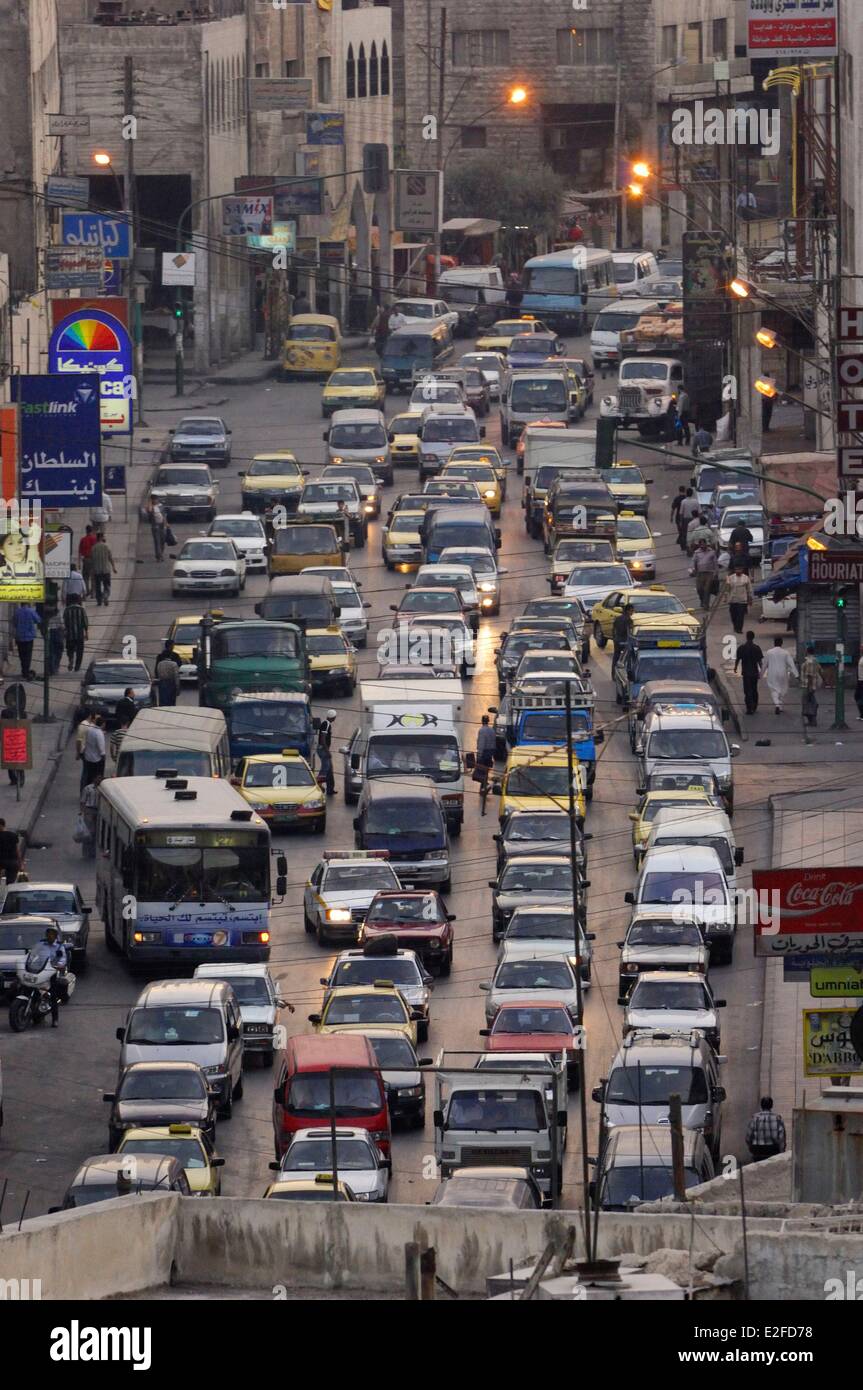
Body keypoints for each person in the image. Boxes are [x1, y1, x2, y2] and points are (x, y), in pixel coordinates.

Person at [38, 923, 68, 1027]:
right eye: (48, 934)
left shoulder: (59, 946)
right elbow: (34, 954)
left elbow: (62, 960)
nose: (50, 936)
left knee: (53, 995)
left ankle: (55, 1019)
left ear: (55, 935)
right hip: (39, 972)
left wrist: (58, 966)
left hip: (51, 973)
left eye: (52, 934)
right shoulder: (41, 944)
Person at [762, 636, 798, 714]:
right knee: (782, 689)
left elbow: (764, 664)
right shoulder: (785, 652)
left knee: (774, 690)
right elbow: (791, 664)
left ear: (774, 643)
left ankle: (777, 705)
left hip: (772, 673)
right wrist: (796, 675)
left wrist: (761, 674)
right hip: (783, 673)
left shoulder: (769, 652)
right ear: (781, 643)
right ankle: (780, 706)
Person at [745, 1096, 786, 1162]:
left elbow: (748, 1137)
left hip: (757, 1150)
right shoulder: (777, 1118)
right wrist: (782, 1152)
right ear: (771, 1105)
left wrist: (751, 1147)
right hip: (772, 1150)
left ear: (761, 1106)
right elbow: (781, 1138)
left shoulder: (755, 1118)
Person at [735, 631, 765, 715]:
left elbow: (738, 659)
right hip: (754, 673)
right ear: (753, 637)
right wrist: (761, 671)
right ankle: (754, 706)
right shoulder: (756, 648)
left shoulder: (742, 648)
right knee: (754, 689)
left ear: (746, 637)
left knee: (747, 690)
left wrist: (735, 668)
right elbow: (760, 661)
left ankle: (749, 707)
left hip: (746, 673)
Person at [690, 539, 719, 610]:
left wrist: (716, 573)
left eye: (704, 544)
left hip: (709, 573)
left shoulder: (712, 552)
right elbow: (693, 562)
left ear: (706, 544)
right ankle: (702, 600)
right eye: (701, 544)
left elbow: (715, 563)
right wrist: (693, 570)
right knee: (699, 589)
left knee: (707, 589)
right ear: (699, 545)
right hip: (699, 573)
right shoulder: (696, 553)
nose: (703, 546)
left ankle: (706, 604)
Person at [89, 533, 117, 607]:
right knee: (106, 585)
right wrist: (114, 567)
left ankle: (99, 601)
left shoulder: (93, 548)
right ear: (101, 537)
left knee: (98, 586)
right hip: (106, 570)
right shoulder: (107, 546)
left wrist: (92, 571)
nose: (104, 538)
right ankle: (105, 596)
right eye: (103, 537)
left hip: (97, 570)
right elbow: (110, 558)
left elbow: (92, 560)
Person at [800, 643, 824, 727]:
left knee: (807, 704)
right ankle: (812, 721)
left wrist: (809, 687)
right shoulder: (815, 660)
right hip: (812, 686)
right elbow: (821, 671)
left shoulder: (809, 661)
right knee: (811, 703)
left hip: (808, 686)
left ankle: (812, 721)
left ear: (807, 652)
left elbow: (809, 675)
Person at [724, 566, 754, 634]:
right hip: (733, 599)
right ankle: (735, 626)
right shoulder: (731, 578)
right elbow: (727, 589)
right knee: (733, 615)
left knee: (740, 615)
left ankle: (739, 629)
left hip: (742, 600)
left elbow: (749, 589)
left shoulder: (746, 578)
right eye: (737, 569)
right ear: (735, 570)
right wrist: (725, 598)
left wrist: (750, 598)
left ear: (742, 570)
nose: (738, 571)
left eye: (740, 569)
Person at [13, 603, 40, 679]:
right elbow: (38, 620)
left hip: (19, 636)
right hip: (29, 637)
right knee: (28, 655)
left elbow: (14, 623)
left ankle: (24, 670)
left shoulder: (17, 612)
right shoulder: (31, 611)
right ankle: (26, 671)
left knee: (21, 655)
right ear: (28, 604)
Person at [63, 595, 89, 672]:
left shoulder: (67, 610)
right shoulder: (81, 609)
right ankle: (77, 667)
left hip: (69, 635)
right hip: (79, 635)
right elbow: (85, 621)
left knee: (70, 649)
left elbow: (64, 622)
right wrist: (86, 633)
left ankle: (71, 659)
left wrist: (64, 632)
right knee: (79, 652)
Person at [79, 773, 101, 859]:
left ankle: (93, 852)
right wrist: (82, 812)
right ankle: (86, 852)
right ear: (94, 779)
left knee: (96, 832)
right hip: (89, 810)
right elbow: (83, 801)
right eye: (98, 778)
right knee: (88, 832)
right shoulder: (88, 788)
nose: (99, 780)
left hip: (98, 811)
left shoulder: (102, 789)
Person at [81, 713, 107, 785]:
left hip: (88, 756)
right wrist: (104, 757)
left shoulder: (90, 729)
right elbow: (101, 749)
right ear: (102, 724)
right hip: (96, 760)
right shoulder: (99, 733)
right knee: (96, 777)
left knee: (88, 776)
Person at [611, 603, 635, 674]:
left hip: (617, 641)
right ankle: (626, 674)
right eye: (632, 611)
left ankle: (614, 674)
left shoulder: (618, 618)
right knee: (628, 658)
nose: (632, 612)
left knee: (616, 657)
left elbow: (613, 630)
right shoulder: (629, 620)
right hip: (625, 641)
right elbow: (629, 632)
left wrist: (614, 638)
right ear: (628, 611)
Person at [78, 524, 98, 598]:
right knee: (93, 577)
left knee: (85, 577)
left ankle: (87, 591)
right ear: (91, 531)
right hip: (93, 560)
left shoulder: (83, 539)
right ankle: (93, 593)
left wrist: (79, 563)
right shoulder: (94, 539)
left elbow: (80, 552)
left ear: (86, 531)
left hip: (85, 560)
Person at [0, 819, 21, 884]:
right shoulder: (13, 835)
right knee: (10, 882)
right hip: (12, 862)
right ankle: (8, 891)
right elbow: (17, 850)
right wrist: (21, 863)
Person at [47, 610, 64, 676]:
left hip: (49, 633)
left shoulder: (46, 613)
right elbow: (61, 624)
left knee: (51, 652)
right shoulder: (58, 612)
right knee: (59, 651)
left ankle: (51, 669)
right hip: (57, 632)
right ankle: (56, 667)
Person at [856, 648, 863, 720]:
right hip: (860, 680)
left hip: (862, 680)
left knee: (860, 698)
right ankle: (861, 714)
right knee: (857, 696)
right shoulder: (861, 657)